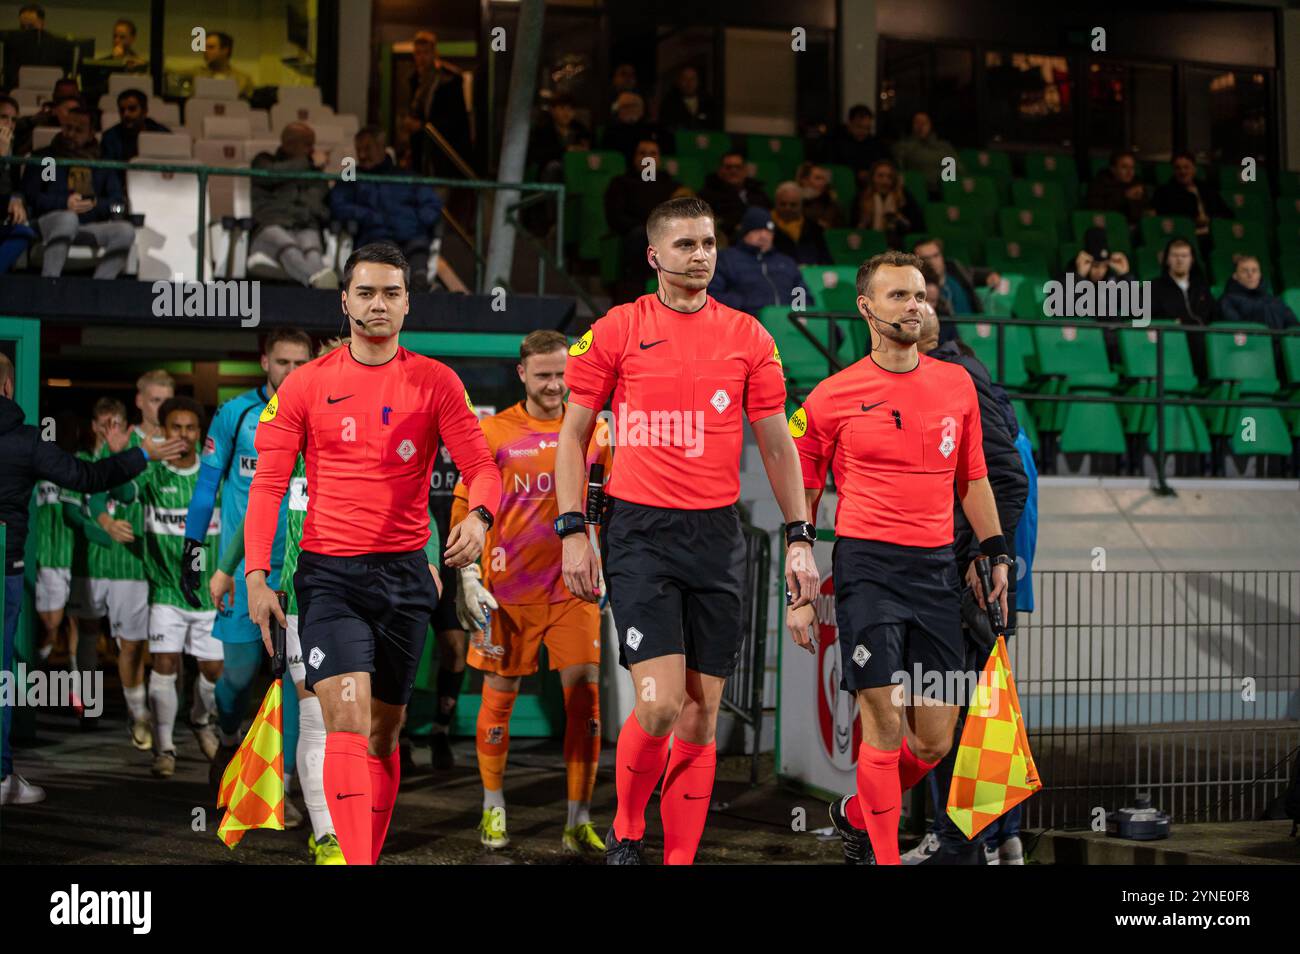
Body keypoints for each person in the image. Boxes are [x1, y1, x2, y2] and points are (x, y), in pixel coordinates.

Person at [558, 196, 820, 864]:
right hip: (639, 535)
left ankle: (678, 859)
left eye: (708, 244)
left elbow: (778, 445)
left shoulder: (749, 337)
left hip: (716, 538)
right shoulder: (616, 330)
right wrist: (572, 531)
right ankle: (626, 826)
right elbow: (574, 436)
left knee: (702, 713)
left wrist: (799, 537)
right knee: (660, 705)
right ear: (654, 256)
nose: (701, 255)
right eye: (686, 245)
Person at [243, 242, 502, 867]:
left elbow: (483, 469)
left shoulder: (438, 381)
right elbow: (269, 485)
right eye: (365, 292)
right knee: (347, 721)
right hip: (329, 575)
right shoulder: (305, 385)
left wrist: (480, 517)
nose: (378, 303)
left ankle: (365, 849)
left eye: (390, 293)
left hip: (408, 574)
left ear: (407, 303)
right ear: (345, 301)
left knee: (384, 735)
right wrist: (256, 575)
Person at [785, 250, 1011, 866]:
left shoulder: (957, 382)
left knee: (934, 742)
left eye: (919, 296)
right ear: (866, 307)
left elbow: (974, 479)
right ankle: (883, 856)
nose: (914, 306)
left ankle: (857, 813)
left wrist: (996, 555)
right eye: (898, 296)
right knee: (883, 731)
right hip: (867, 571)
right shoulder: (831, 397)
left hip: (937, 570)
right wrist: (799, 588)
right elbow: (800, 496)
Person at [209, 335, 426, 864]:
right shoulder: (294, 436)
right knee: (318, 720)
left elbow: (416, 502)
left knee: (377, 728)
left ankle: (350, 831)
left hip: (386, 588)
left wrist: (438, 563)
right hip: (313, 595)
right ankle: (329, 834)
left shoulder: (374, 441)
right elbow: (258, 499)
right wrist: (228, 568)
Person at [452, 330, 612, 855]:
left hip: (574, 589)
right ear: (521, 373)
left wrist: (612, 563)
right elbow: (466, 505)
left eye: (563, 373)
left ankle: (578, 819)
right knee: (498, 701)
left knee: (586, 703)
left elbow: (609, 504)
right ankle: (493, 808)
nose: (555, 384)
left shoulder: (593, 431)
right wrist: (466, 575)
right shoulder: (492, 431)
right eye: (543, 374)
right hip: (508, 591)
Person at [1, 354, 186, 805]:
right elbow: (88, 478)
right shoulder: (24, 441)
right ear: (7, 388)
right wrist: (138, 455)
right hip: (5, 567)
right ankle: (1, 776)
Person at [909, 305, 1029, 865]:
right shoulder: (962, 376)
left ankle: (963, 843)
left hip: (965, 575)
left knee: (961, 709)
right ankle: (994, 839)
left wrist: (982, 558)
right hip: (961, 569)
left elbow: (1004, 478)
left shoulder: (958, 384)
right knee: (975, 706)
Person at [182, 328, 313, 801]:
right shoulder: (236, 416)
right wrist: (194, 549)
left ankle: (288, 787)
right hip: (244, 571)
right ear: (264, 362)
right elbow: (206, 486)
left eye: (302, 363)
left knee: (299, 682)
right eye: (283, 363)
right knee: (236, 679)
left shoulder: (320, 414)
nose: (292, 373)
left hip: (303, 572)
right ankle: (230, 736)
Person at [92, 397, 224, 779]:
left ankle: (200, 720)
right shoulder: (152, 473)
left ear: (200, 433)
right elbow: (122, 495)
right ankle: (164, 748)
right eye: (175, 428)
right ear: (163, 431)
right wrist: (118, 462)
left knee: (213, 669)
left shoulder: (214, 471)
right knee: (164, 662)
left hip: (207, 592)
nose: (183, 435)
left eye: (190, 428)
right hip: (166, 589)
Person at [21, 106, 135, 279]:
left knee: (125, 230)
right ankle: (49, 284)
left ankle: (98, 288)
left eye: (78, 130)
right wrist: (65, 203)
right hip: (52, 224)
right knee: (68, 218)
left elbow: (117, 203)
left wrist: (96, 204)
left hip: (87, 227)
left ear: (91, 134)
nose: (70, 134)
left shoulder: (101, 163)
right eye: (67, 127)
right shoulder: (49, 160)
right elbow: (34, 197)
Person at [329, 125, 443, 293]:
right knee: (388, 258)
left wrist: (418, 221)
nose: (361, 155)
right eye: (358, 149)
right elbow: (337, 204)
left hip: (412, 235)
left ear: (382, 147)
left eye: (367, 149)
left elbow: (432, 204)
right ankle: (413, 287)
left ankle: (419, 284)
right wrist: (367, 216)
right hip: (375, 236)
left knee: (418, 256)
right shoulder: (351, 177)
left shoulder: (406, 176)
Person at [249, 123, 335, 288]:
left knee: (313, 252)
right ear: (289, 144)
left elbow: (320, 203)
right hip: (271, 225)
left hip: (304, 224)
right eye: (308, 144)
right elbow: (273, 174)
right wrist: (308, 162)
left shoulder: (313, 171)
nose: (312, 149)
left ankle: (321, 283)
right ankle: (317, 281)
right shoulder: (263, 161)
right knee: (289, 247)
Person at [604, 137, 687, 303]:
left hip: (666, 237)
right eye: (642, 153)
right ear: (634, 158)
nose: (647, 158)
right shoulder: (620, 183)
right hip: (636, 237)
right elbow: (615, 217)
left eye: (652, 154)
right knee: (640, 235)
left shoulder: (671, 185)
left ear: (659, 159)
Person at [708, 205, 807, 316]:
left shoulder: (786, 262)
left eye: (768, 231)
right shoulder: (726, 259)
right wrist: (745, 305)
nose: (764, 236)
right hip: (746, 323)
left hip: (787, 324)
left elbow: (801, 292)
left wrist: (798, 314)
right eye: (757, 230)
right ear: (745, 233)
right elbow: (712, 295)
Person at [405, 30, 471, 178]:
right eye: (418, 53)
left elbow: (455, 118)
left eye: (425, 53)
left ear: (434, 53)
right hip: (422, 149)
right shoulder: (416, 79)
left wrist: (422, 126)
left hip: (443, 149)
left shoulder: (448, 79)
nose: (421, 58)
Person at [1152, 152, 1230, 242]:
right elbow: (1168, 219)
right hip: (1186, 236)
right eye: (1178, 168)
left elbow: (1227, 213)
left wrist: (1211, 220)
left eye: (1186, 167)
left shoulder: (1207, 189)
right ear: (1173, 171)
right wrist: (1193, 221)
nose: (1182, 172)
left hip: (1213, 232)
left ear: (1194, 169)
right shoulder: (1164, 192)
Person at [913, 236, 1001, 316]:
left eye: (936, 256)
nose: (933, 262)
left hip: (973, 326)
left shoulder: (954, 269)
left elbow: (974, 274)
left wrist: (989, 275)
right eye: (926, 259)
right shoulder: (918, 287)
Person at [697, 150, 771, 240]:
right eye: (728, 167)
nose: (733, 171)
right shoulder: (707, 195)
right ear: (720, 170)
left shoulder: (758, 193)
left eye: (738, 167)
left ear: (745, 170)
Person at [0, 94, 36, 274]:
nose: (9, 124)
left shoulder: (12, 149)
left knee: (24, 232)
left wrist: (15, 198)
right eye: (3, 117)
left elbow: (13, 188)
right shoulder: (5, 149)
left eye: (13, 119)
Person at [852, 158, 923, 249]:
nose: (885, 181)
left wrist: (899, 219)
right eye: (880, 176)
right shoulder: (861, 197)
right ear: (872, 178)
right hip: (868, 245)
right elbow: (853, 229)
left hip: (898, 248)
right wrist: (864, 222)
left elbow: (917, 228)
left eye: (889, 177)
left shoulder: (905, 197)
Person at [1150, 237, 1218, 327]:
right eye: (1175, 255)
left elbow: (1213, 316)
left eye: (1184, 256)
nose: (1179, 260)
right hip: (1172, 337)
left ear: (1192, 260)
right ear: (1167, 259)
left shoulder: (1201, 288)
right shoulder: (1153, 287)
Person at [1218, 255, 1298, 330]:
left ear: (1260, 274)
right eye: (1244, 271)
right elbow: (1239, 331)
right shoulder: (1227, 301)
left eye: (1254, 270)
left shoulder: (1274, 301)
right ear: (1235, 276)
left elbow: (1294, 328)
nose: (1250, 275)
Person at [528, 93, 591, 179]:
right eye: (562, 108)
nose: (566, 113)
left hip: (578, 167)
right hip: (553, 169)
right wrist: (567, 150)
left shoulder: (581, 129)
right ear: (552, 110)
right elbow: (539, 154)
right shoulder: (543, 130)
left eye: (570, 109)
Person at [99, 89, 169, 167]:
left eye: (132, 109)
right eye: (122, 110)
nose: (126, 114)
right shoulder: (110, 137)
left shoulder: (163, 134)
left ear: (144, 111)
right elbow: (107, 171)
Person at [892, 112, 955, 196]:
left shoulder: (944, 147)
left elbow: (957, 169)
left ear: (931, 125)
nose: (921, 125)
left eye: (925, 122)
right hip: (915, 191)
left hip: (944, 191)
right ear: (911, 125)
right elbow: (900, 170)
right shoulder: (902, 147)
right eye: (917, 122)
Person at [821, 104, 890, 180]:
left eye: (868, 128)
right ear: (849, 123)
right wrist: (856, 173)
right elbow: (830, 167)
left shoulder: (876, 144)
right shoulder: (834, 142)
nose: (864, 132)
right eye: (859, 127)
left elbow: (885, 163)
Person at [771, 180, 831, 265]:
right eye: (783, 204)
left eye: (793, 204)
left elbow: (825, 259)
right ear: (775, 203)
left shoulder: (814, 228)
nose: (788, 208)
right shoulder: (766, 227)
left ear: (801, 205)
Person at [1084, 150, 1149, 228]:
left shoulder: (1137, 184)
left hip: (1136, 228)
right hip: (1110, 227)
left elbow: (1144, 210)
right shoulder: (1100, 184)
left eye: (1132, 167)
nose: (1130, 172)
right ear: (1113, 169)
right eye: (1124, 167)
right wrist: (1124, 197)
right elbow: (1097, 210)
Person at [600, 92, 663, 165]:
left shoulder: (651, 130)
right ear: (618, 110)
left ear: (642, 110)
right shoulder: (610, 131)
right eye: (626, 106)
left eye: (634, 105)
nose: (630, 109)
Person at [657, 65, 718, 130]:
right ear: (679, 81)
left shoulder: (708, 102)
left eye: (692, 79)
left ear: (698, 81)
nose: (689, 83)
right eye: (685, 79)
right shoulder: (669, 103)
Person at [198, 31, 254, 99]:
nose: (205, 51)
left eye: (210, 47)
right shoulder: (195, 75)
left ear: (225, 50)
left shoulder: (243, 80)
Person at [795, 161, 844, 230]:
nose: (823, 183)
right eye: (818, 178)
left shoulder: (833, 205)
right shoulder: (792, 202)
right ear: (804, 181)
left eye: (824, 179)